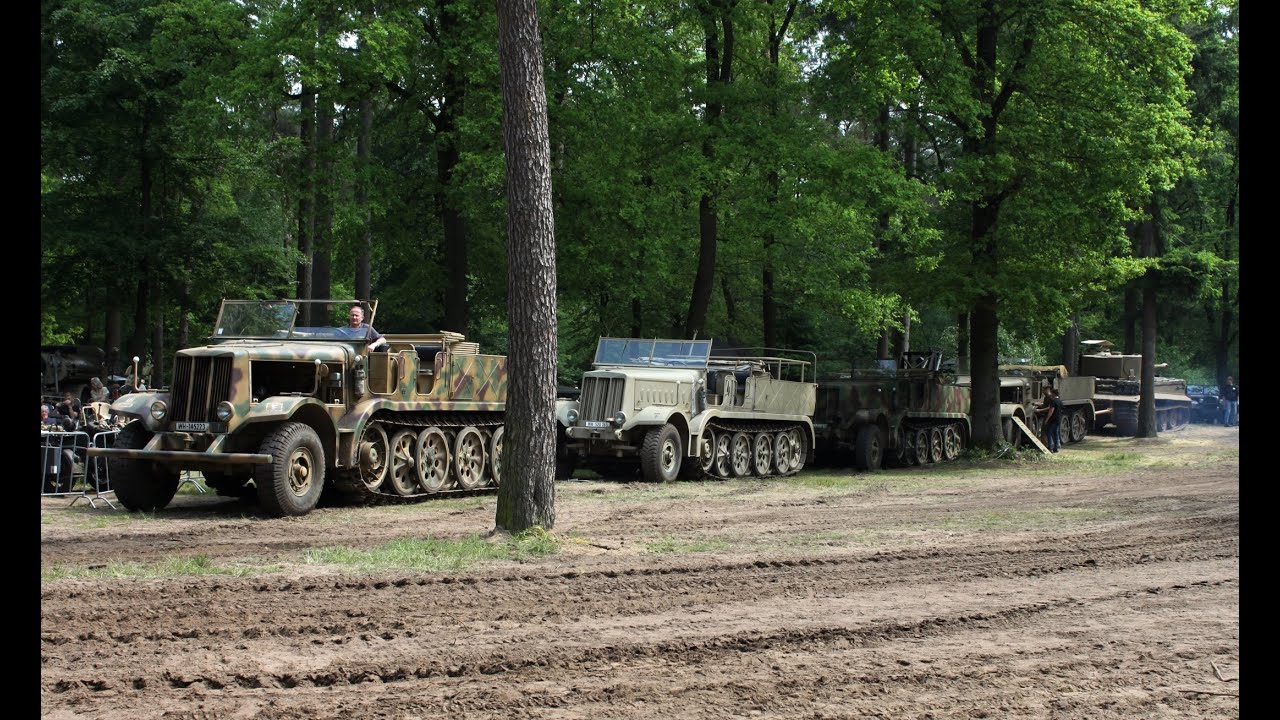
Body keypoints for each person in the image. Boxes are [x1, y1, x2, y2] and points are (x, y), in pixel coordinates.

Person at [1036, 386, 1062, 453]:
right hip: (1058, 419)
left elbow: (1050, 410)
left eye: (1043, 390)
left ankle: (1049, 446)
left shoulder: (1053, 400)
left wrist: (1046, 419)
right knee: (1055, 433)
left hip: (1052, 419)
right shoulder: (1059, 401)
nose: (1042, 392)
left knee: (1049, 432)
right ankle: (1056, 447)